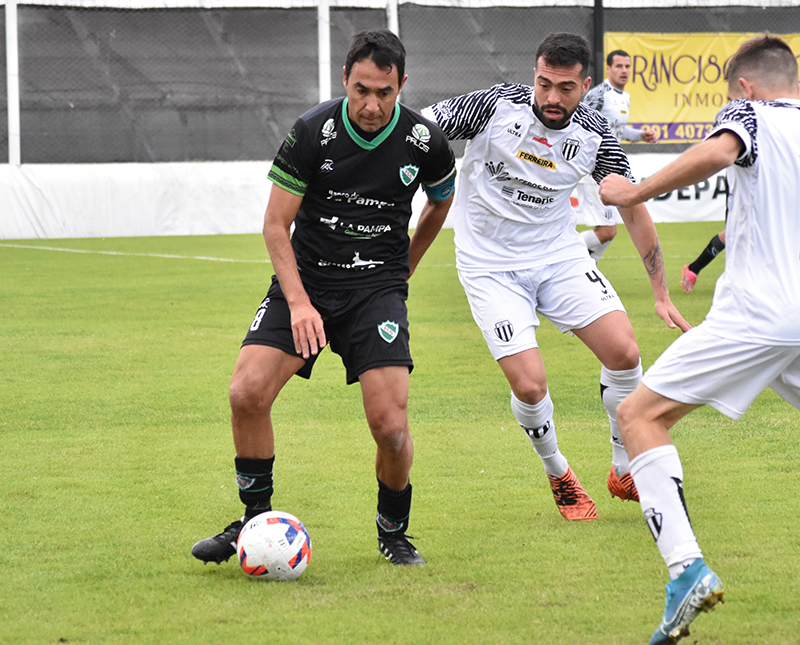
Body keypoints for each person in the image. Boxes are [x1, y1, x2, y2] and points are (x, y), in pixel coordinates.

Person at [191, 29, 456, 567]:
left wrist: (403, 269)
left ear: (402, 84)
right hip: (306, 283)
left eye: (384, 92)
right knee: (246, 393)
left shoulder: (424, 141)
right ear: (345, 80)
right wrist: (299, 303)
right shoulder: (313, 131)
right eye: (361, 90)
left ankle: (393, 531)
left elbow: (440, 200)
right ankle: (254, 521)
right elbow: (275, 225)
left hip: (376, 292)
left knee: (391, 426)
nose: (371, 105)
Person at [421, 32, 688, 522]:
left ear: (585, 86)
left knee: (625, 352)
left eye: (565, 88)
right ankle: (558, 471)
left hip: (558, 256)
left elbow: (632, 207)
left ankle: (623, 467)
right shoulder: (494, 105)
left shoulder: (596, 133)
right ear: (535, 76)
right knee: (529, 385)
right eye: (544, 83)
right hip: (489, 266)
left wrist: (661, 293)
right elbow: (420, 128)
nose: (551, 97)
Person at [599, 34, 800, 644]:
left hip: (760, 315)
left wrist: (632, 191)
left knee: (639, 415)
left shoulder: (751, 114)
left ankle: (686, 570)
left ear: (745, 87)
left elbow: (718, 151)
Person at [577, 50, 660, 262]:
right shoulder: (598, 95)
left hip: (609, 171)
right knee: (607, 231)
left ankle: (588, 270)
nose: (624, 70)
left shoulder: (625, 97)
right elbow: (578, 124)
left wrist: (641, 135)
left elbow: (618, 131)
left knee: (608, 232)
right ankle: (558, 253)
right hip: (593, 170)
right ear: (608, 69)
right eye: (619, 66)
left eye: (627, 66)